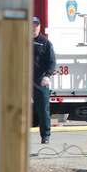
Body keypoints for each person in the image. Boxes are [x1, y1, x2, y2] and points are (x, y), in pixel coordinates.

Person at [31, 16, 56, 145]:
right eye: (31, 25)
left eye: (36, 25)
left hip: (40, 81)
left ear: (39, 27)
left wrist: (47, 76)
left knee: (43, 109)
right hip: (25, 80)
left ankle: (45, 136)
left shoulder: (45, 43)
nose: (33, 28)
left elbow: (52, 62)